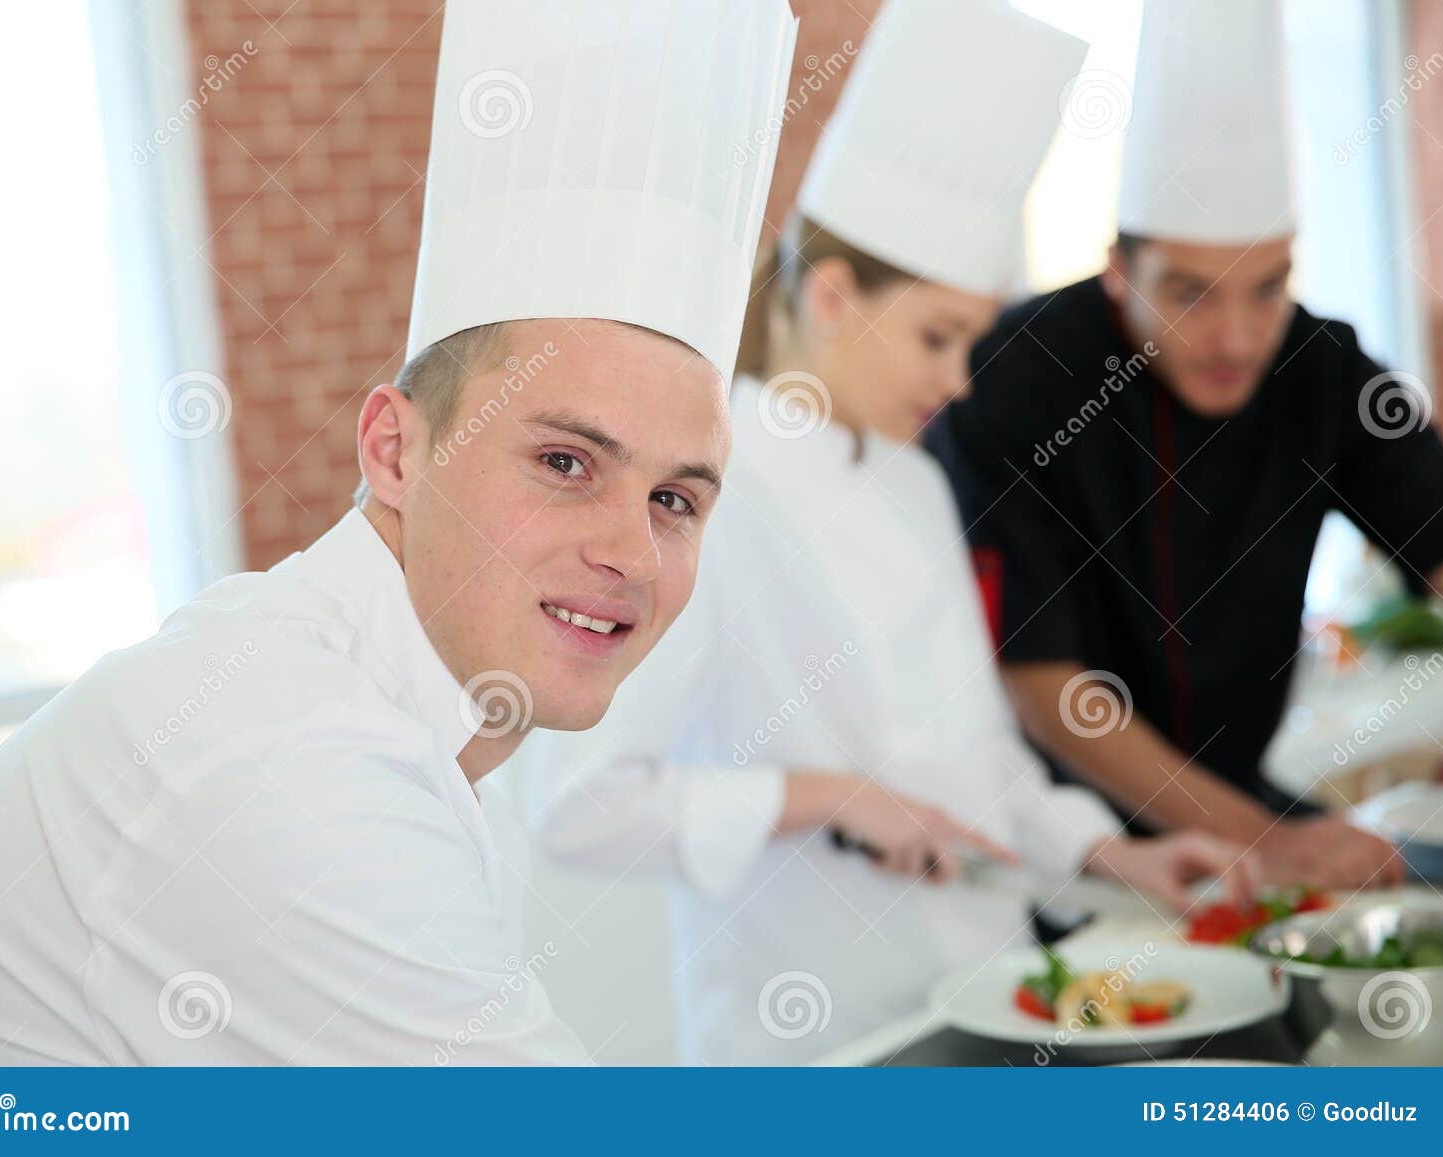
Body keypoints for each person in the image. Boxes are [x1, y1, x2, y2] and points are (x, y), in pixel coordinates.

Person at [0, 0, 798, 1065]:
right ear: (394, 450)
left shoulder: (385, 705)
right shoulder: (292, 748)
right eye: (565, 463)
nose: (630, 552)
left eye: (676, 499)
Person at [527, 0, 1257, 1067]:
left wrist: (1114, 855)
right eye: (936, 335)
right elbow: (579, 808)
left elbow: (978, 765)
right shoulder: (700, 497)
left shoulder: (913, 483)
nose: (958, 380)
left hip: (988, 1009)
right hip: (816, 1050)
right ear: (830, 296)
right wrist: (827, 798)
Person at [928, 0, 1443, 891]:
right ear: (1119, 269)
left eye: (1268, 286)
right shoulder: (1015, 376)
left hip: (1242, 791)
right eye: (1192, 294)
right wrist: (1262, 843)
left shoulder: (1321, 364)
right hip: (1061, 841)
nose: (1239, 338)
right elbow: (1044, 682)